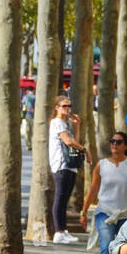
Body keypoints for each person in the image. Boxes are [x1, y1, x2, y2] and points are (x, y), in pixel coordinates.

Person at [48, 93, 88, 243]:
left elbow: (73, 144)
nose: (68, 108)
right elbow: (68, 141)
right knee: (60, 197)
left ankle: (63, 230)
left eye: (69, 106)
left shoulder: (65, 124)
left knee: (64, 198)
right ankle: (58, 231)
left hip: (69, 165)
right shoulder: (57, 122)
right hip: (60, 165)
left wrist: (77, 127)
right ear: (57, 108)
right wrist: (85, 150)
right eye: (64, 106)